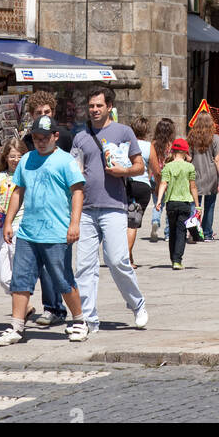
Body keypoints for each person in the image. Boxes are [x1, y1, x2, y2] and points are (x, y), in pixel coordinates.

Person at [0, 115, 87, 345]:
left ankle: (80, 321)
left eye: (45, 137)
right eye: (36, 137)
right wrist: (8, 221)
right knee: (20, 280)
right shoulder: (27, 160)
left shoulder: (65, 161)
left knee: (62, 279)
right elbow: (17, 192)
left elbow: (77, 192)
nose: (40, 141)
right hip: (28, 232)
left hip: (56, 232)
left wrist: (74, 224)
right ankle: (16, 326)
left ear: (55, 136)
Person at [72, 86, 149, 333]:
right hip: (86, 209)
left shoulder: (123, 132)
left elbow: (139, 166)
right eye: (91, 106)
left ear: (109, 107)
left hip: (114, 206)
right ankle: (88, 319)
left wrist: (122, 171)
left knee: (117, 260)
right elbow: (75, 169)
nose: (94, 110)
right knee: (84, 266)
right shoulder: (80, 136)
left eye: (99, 106)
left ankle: (137, 303)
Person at [23, 92, 73, 328]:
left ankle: (64, 309)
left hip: (58, 212)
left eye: (47, 112)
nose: (44, 116)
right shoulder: (28, 140)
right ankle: (51, 307)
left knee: (58, 267)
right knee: (41, 266)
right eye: (38, 113)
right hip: (35, 211)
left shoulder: (63, 137)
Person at [0, 136, 32, 312]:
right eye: (12, 156)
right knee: (4, 274)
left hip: (20, 225)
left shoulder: (27, 176)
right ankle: (24, 305)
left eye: (19, 156)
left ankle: (21, 307)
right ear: (5, 157)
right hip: (0, 226)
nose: (16, 160)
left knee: (18, 269)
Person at [155, 137, 199, 270]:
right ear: (186, 153)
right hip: (185, 203)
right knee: (181, 232)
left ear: (173, 151)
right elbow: (193, 187)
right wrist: (197, 205)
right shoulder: (190, 167)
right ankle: (177, 260)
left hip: (171, 203)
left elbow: (163, 183)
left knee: (172, 231)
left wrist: (158, 201)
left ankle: (172, 258)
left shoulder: (168, 166)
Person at [188, 112, 219, 240]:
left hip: (195, 174)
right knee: (210, 205)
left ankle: (193, 231)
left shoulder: (191, 137)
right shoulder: (215, 139)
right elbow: (218, 159)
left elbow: (189, 157)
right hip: (211, 175)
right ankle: (207, 233)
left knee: (194, 205)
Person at [127, 115, 155, 268]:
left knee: (124, 222)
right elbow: (156, 168)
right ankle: (126, 258)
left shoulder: (125, 144)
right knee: (132, 224)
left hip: (125, 184)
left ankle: (129, 257)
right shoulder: (148, 146)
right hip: (142, 187)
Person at [148, 117, 175, 242]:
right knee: (170, 205)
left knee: (157, 204)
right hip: (169, 178)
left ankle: (155, 221)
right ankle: (168, 233)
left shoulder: (153, 144)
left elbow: (150, 163)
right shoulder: (172, 145)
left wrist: (149, 178)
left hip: (155, 177)